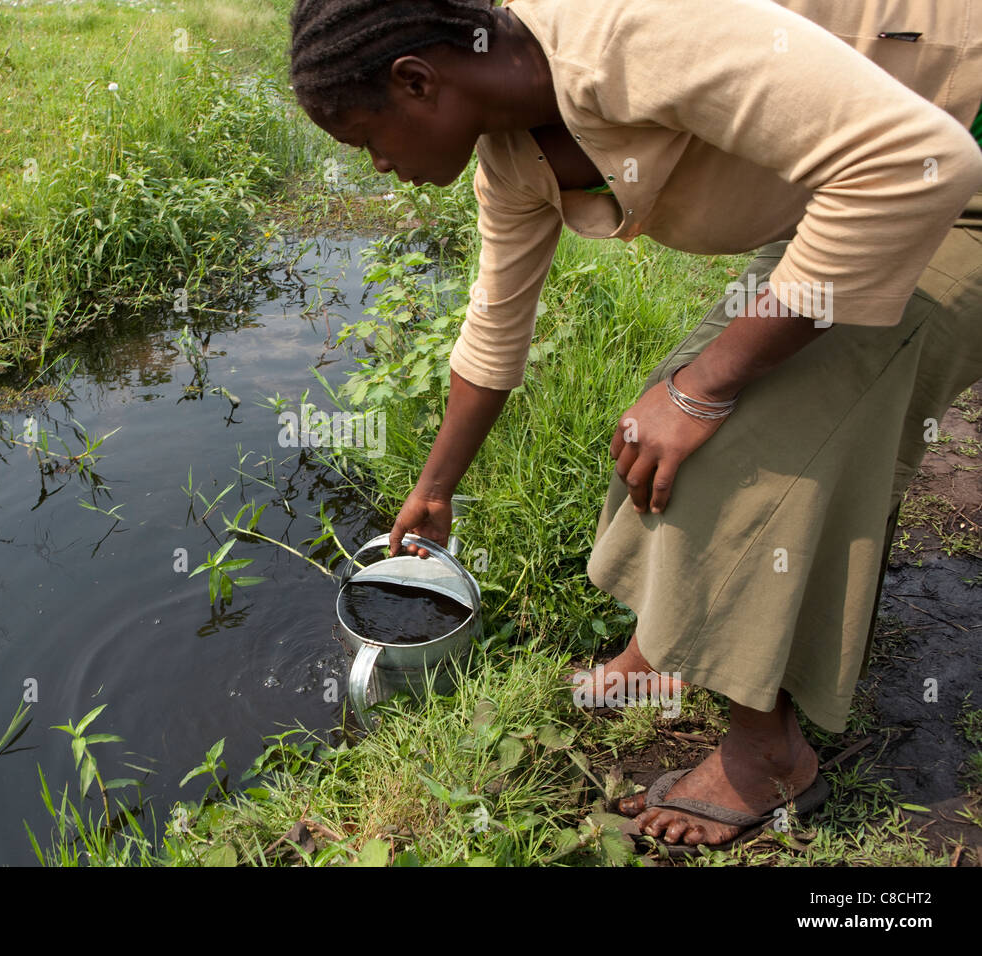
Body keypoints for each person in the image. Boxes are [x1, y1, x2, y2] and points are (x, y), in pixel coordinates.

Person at [288, 0, 982, 851]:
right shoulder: (512, 158)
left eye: (368, 139)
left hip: (944, 183)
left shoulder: (624, 31)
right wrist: (435, 490)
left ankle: (767, 755)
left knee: (742, 452)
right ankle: (669, 643)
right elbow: (493, 328)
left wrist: (704, 392)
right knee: (652, 428)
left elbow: (918, 161)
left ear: (417, 79)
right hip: (837, 192)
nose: (382, 166)